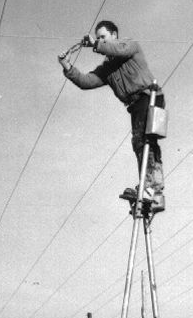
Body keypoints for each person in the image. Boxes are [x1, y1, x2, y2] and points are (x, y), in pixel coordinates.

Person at [58, 20, 166, 213]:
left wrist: (96, 44)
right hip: (135, 105)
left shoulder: (129, 46)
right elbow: (86, 81)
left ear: (114, 35)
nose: (99, 40)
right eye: (98, 37)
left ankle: (152, 188)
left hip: (148, 97)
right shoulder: (108, 68)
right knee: (140, 143)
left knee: (144, 141)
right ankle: (150, 187)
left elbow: (118, 50)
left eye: (103, 37)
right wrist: (67, 66)